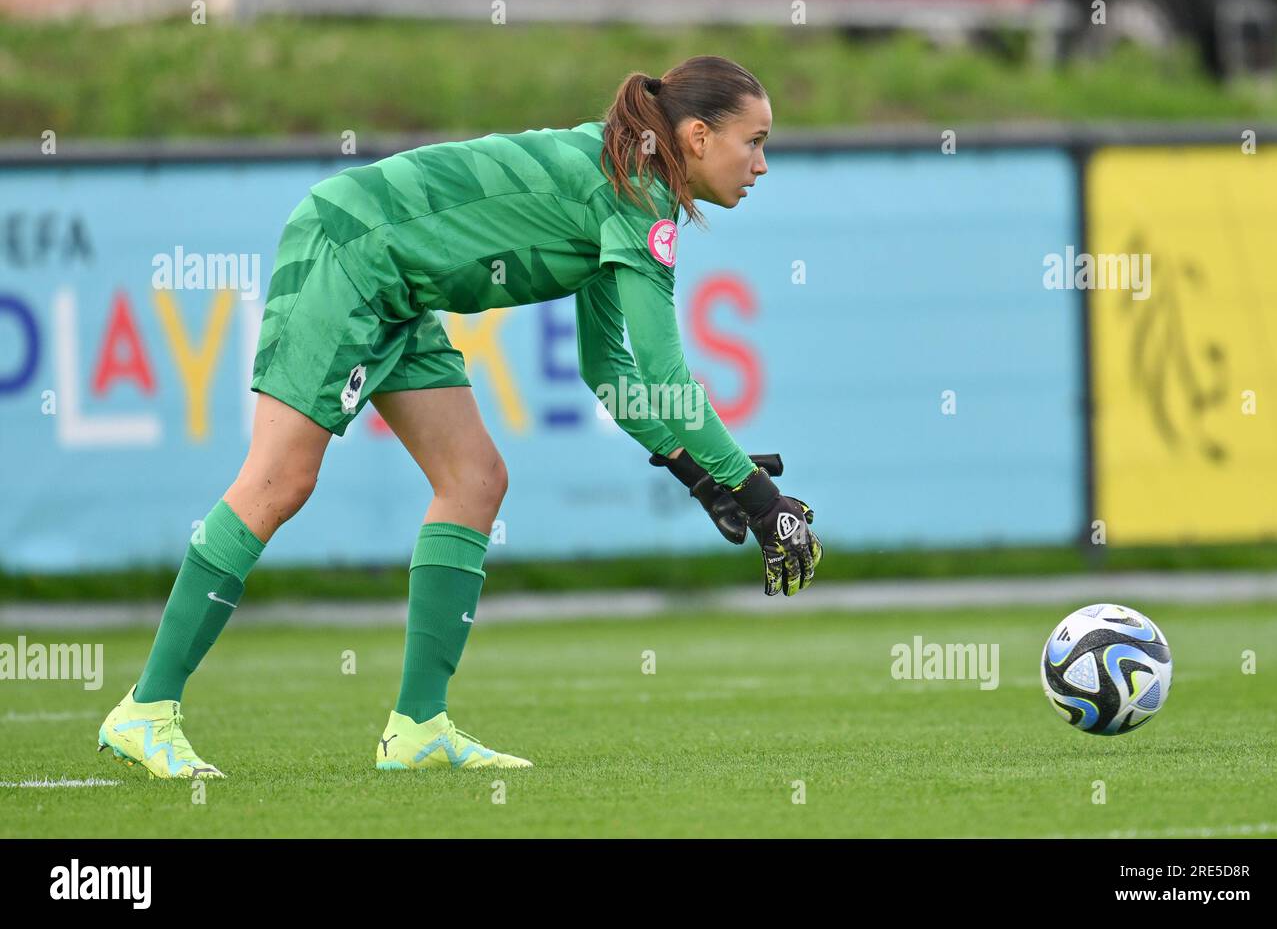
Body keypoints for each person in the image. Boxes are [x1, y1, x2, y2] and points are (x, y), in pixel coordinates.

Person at [96, 55, 823, 779]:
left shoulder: (630, 176)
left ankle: (417, 725)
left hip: (395, 283)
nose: (761, 164)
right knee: (280, 479)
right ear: (697, 136)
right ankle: (146, 709)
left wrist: (700, 474)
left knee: (474, 479)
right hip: (349, 253)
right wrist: (761, 501)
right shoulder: (637, 190)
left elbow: (610, 371)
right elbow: (665, 377)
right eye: (754, 141)